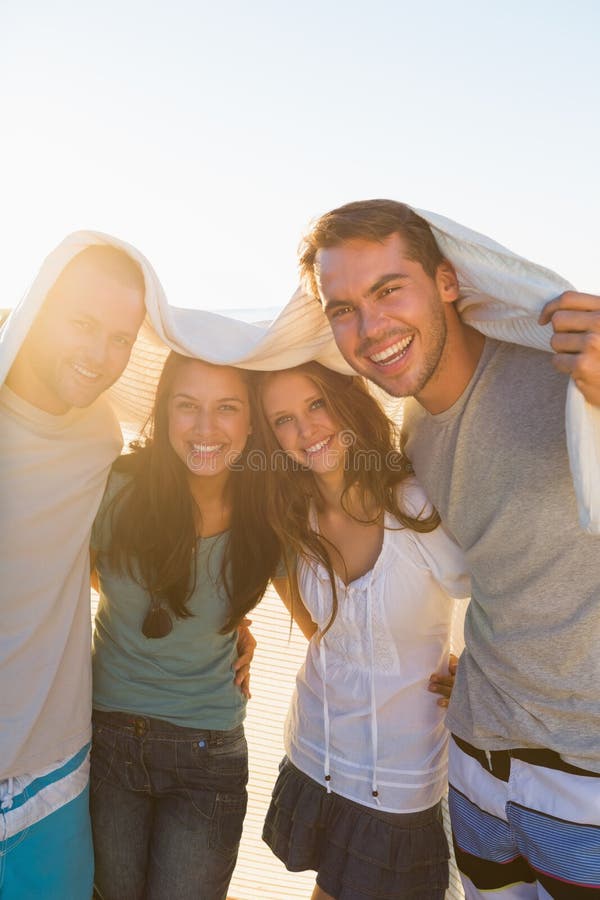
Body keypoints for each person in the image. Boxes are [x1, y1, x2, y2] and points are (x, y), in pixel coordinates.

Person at [296, 200, 600, 898]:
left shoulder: (565, 378)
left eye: (388, 290)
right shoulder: (414, 433)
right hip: (475, 762)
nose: (370, 328)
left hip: (586, 773)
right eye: (343, 310)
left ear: (447, 281)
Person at [253, 361, 469, 900]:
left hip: (402, 775)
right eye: (283, 419)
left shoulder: (414, 504)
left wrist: (478, 670)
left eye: (316, 404)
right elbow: (297, 600)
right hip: (317, 749)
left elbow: (496, 592)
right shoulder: (293, 513)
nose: (306, 430)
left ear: (348, 402)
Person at [89, 352, 280, 900]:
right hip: (108, 737)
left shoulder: (268, 509)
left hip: (208, 752)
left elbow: (327, 620)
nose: (205, 428)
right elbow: (76, 576)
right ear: (163, 409)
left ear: (252, 420)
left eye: (227, 408)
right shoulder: (115, 487)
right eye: (187, 405)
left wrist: (236, 621)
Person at [0, 241, 150, 900]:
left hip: (52, 769)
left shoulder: (100, 435)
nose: (99, 354)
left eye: (121, 338)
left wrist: (222, 622)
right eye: (82, 323)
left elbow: (92, 554)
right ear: (40, 309)